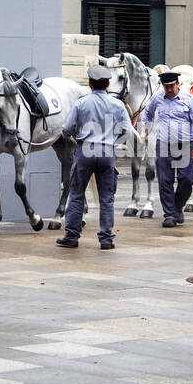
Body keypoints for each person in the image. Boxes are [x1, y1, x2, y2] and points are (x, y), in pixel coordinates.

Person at [56, 64, 131, 250]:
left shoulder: (81, 103)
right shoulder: (118, 104)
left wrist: (76, 135)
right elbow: (127, 131)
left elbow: (66, 129)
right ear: (107, 84)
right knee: (106, 197)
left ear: (90, 84)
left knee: (76, 194)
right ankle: (106, 239)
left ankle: (72, 236)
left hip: (85, 150)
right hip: (107, 151)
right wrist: (113, 140)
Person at [140, 70, 193, 228]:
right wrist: (144, 131)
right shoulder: (157, 98)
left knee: (187, 180)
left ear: (177, 84)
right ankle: (169, 215)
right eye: (166, 86)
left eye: (171, 86)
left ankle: (177, 207)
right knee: (165, 181)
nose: (169, 89)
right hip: (163, 146)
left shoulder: (188, 99)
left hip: (185, 145)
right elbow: (146, 115)